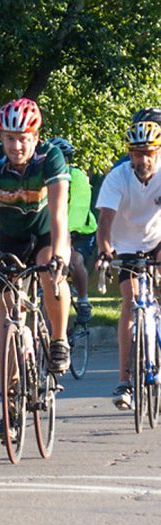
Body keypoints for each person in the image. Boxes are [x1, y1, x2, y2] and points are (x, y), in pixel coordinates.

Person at [0, 97, 71, 443]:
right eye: (10, 138)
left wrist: (61, 254)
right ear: (2, 138)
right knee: (9, 319)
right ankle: (9, 408)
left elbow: (58, 214)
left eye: (23, 137)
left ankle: (59, 339)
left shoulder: (50, 157)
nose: (17, 145)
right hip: (8, 239)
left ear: (36, 136)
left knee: (48, 271)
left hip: (42, 235)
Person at [95, 120, 161, 410]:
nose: (142, 159)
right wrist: (105, 250)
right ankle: (124, 380)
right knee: (129, 302)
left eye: (148, 152)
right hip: (125, 246)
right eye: (136, 153)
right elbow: (105, 220)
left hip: (157, 240)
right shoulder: (117, 177)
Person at [48, 137, 97, 322]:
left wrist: (66, 231)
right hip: (53, 232)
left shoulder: (76, 176)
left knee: (74, 260)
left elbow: (79, 206)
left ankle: (83, 301)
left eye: (63, 159)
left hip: (80, 232)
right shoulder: (44, 177)